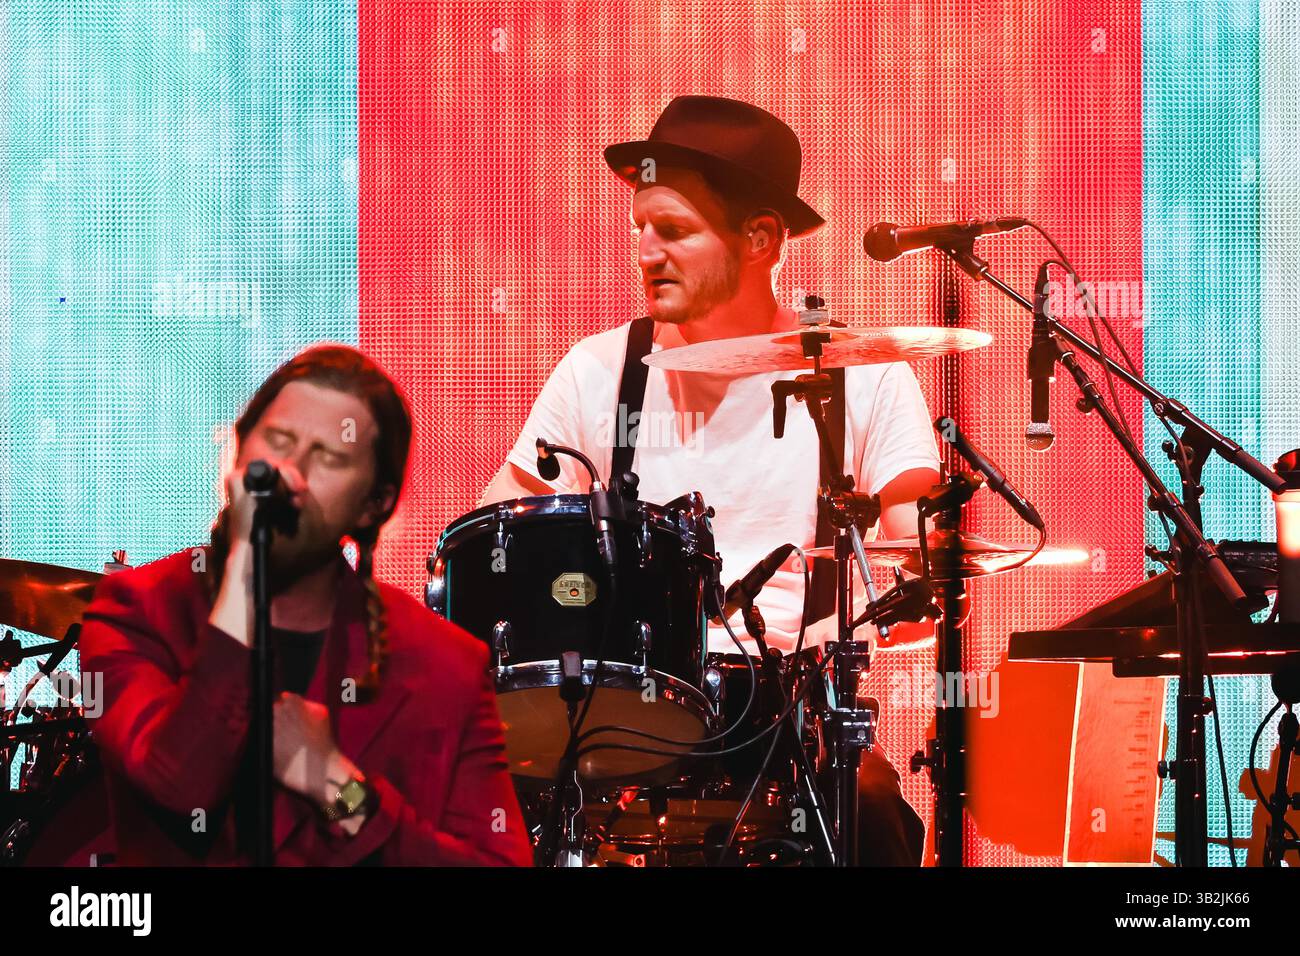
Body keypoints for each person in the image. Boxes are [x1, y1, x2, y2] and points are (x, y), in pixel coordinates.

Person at [481, 96, 937, 865]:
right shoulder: (600, 371)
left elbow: (920, 575)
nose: (645, 252)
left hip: (797, 726)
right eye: (639, 228)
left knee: (873, 818)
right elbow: (497, 537)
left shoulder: (864, 375)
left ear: (762, 238)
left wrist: (921, 576)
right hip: (618, 723)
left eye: (674, 231)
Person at [81, 345, 531, 865]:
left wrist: (337, 785)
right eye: (276, 442)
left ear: (374, 504)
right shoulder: (138, 611)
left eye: (328, 457)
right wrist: (247, 571)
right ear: (238, 451)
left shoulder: (444, 662)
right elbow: (183, 784)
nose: (288, 476)